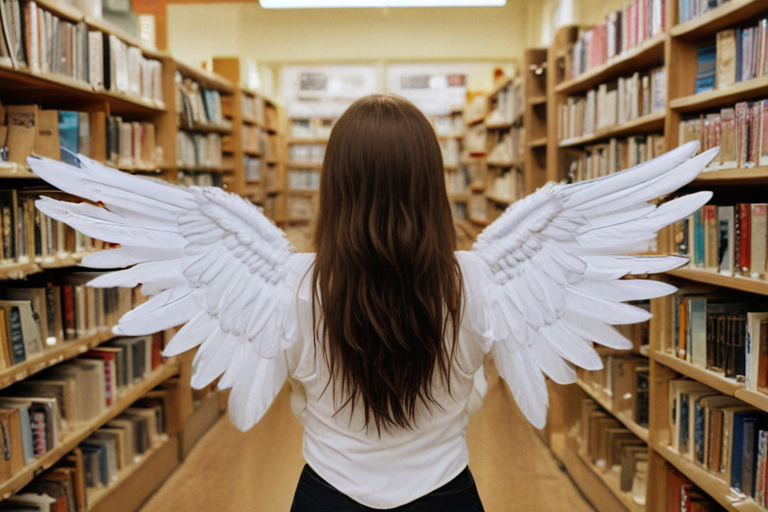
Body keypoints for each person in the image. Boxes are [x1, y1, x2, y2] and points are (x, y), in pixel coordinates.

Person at [28, 94, 717, 512]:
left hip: (327, 498)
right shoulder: (477, 280)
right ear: (431, 183)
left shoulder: (294, 285)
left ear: (336, 184)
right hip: (447, 497)